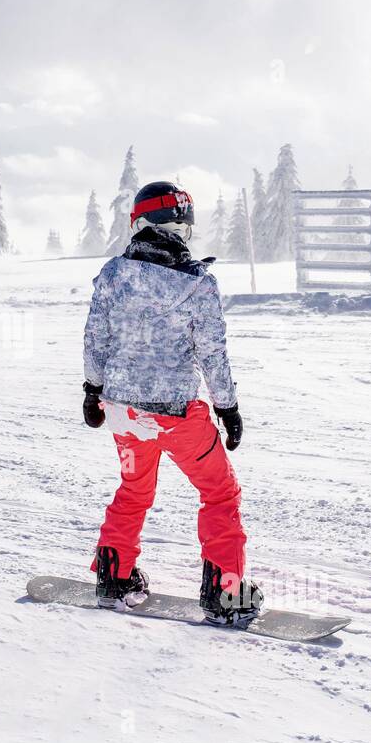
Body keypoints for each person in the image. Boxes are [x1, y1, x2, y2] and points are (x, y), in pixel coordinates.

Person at [81, 181, 263, 625]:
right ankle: (226, 594)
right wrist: (228, 407)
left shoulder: (113, 273)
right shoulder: (198, 283)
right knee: (220, 493)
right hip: (177, 412)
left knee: (133, 490)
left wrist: (92, 389)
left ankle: (114, 578)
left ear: (140, 223)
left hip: (124, 412)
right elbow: (212, 353)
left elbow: (95, 338)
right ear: (181, 227)